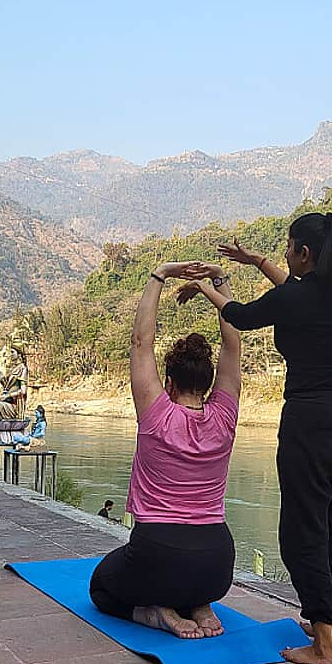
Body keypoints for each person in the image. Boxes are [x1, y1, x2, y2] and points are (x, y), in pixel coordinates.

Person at [187, 216, 332, 664]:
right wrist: (257, 262)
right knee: (327, 523)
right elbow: (292, 290)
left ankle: (323, 647)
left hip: (312, 422)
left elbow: (241, 315)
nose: (285, 254)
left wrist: (211, 286)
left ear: (304, 253)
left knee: (300, 533)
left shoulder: (298, 295)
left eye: (288, 247)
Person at [88, 261, 242, 639]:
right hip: (217, 565)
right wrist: (217, 281)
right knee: (188, 576)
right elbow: (233, 344)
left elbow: (141, 342)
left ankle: (157, 612)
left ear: (168, 383)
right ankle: (200, 603)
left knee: (100, 587)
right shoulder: (224, 417)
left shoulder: (156, 413)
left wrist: (160, 274)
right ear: (208, 384)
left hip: (158, 553)